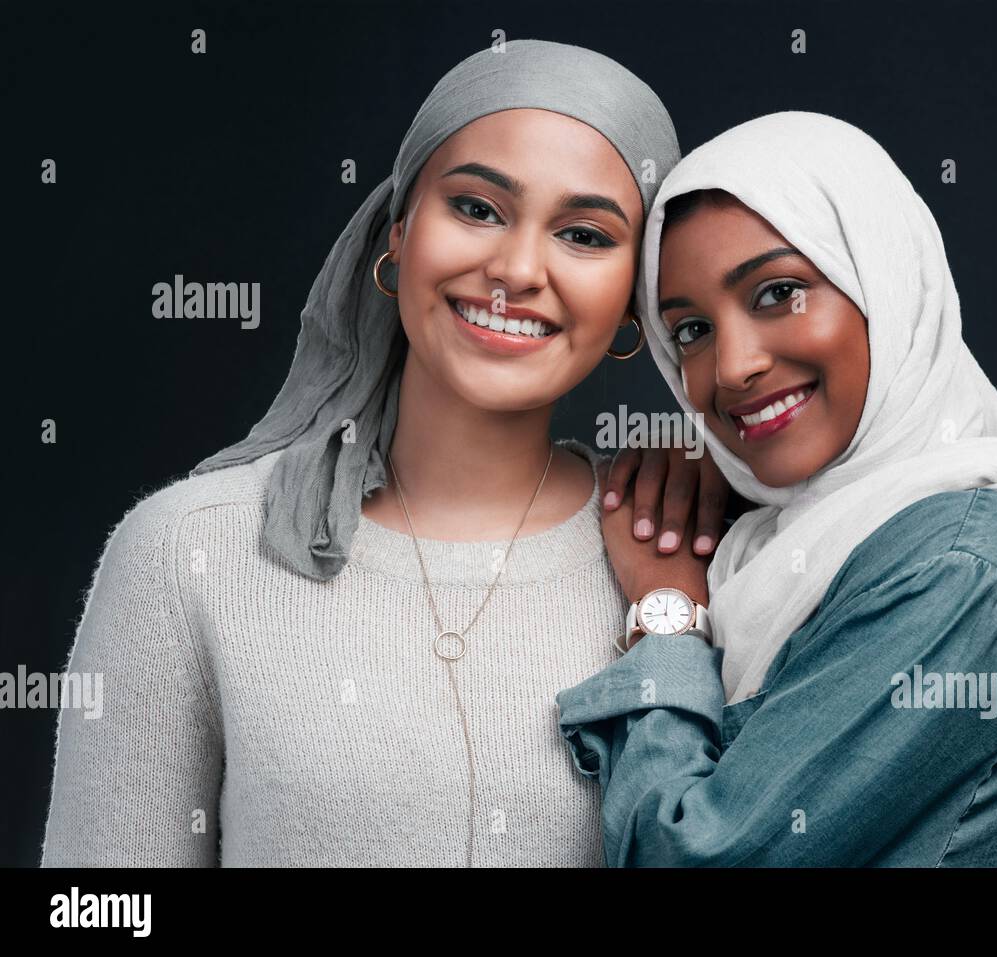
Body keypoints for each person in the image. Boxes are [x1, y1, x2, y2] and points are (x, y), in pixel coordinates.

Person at [40, 39, 725, 867]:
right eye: (476, 208)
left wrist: (677, 604)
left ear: (634, 307)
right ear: (395, 234)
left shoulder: (689, 549)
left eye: (584, 234)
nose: (515, 268)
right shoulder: (189, 552)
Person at [560, 111, 997, 867]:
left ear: (884, 286)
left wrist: (666, 619)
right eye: (691, 330)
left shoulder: (958, 569)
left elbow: (692, 856)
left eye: (776, 292)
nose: (731, 368)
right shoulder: (777, 541)